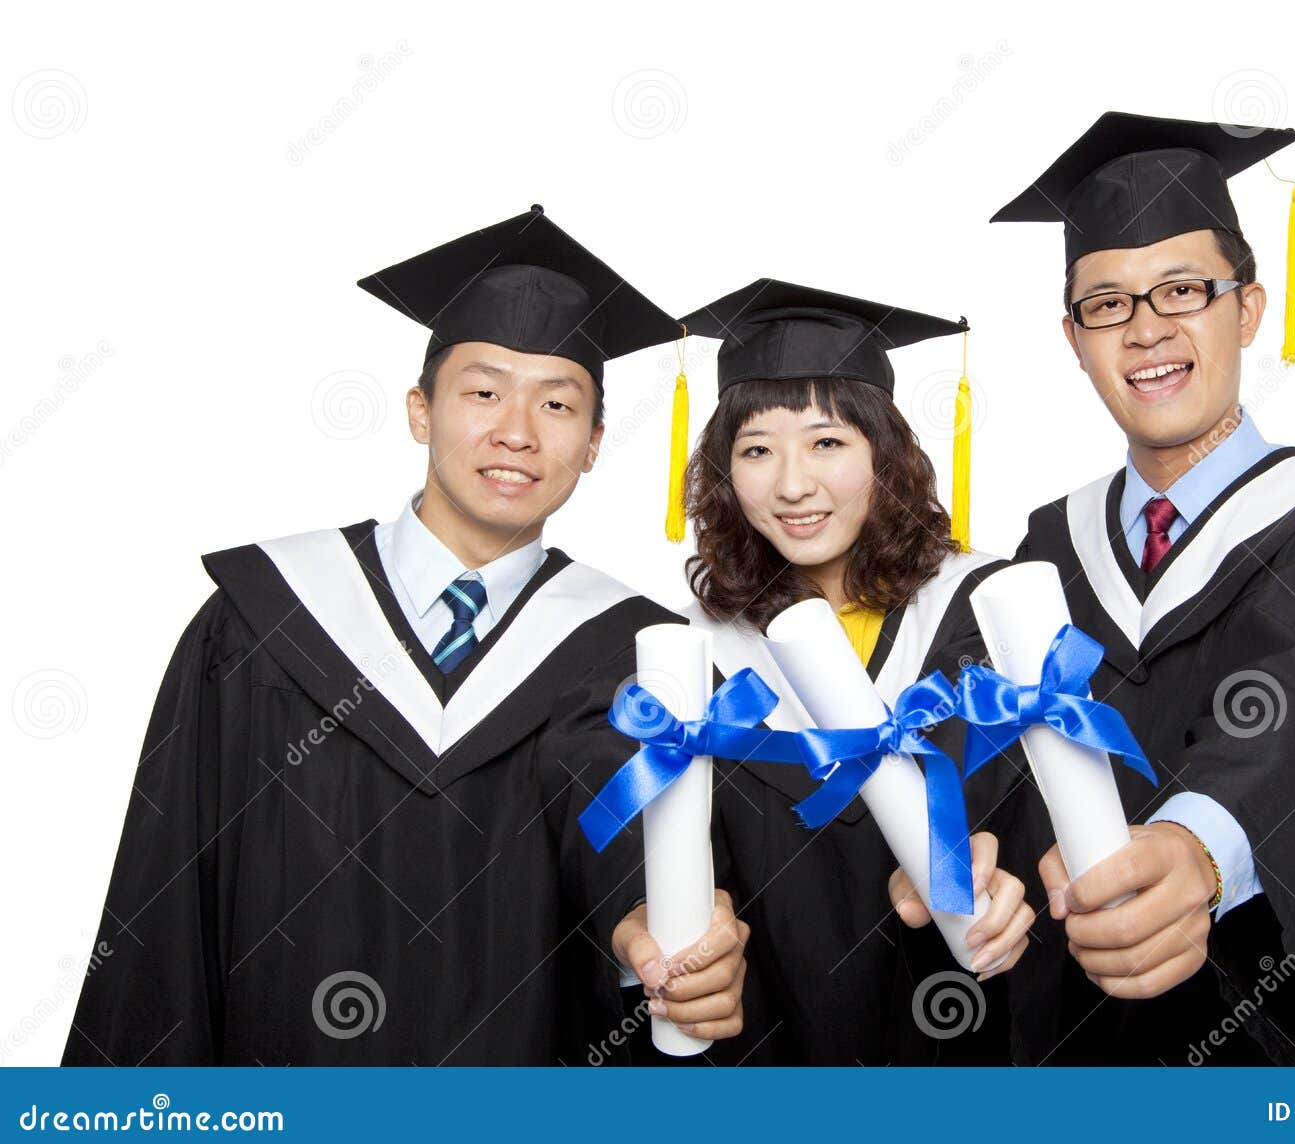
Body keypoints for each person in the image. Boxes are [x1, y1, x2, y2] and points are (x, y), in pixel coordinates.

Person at [63, 205, 750, 1064]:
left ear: (596, 442)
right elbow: (161, 919)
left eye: (558, 402)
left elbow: (650, 885)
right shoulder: (256, 624)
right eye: (484, 391)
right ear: (421, 410)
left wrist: (670, 942)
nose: (517, 432)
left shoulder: (635, 659)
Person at [993, 113, 1295, 1065]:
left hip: (1286, 1043)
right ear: (1073, 339)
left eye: (1183, 289)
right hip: (1079, 1042)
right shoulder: (1043, 549)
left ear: (1246, 309)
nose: (1148, 327)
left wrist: (1197, 849)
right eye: (1107, 304)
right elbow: (991, 744)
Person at [667, 280, 1043, 1063]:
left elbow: (1037, 830)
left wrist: (1015, 891)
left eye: (827, 441)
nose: (793, 484)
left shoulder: (982, 618)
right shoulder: (694, 655)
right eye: (756, 449)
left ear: (886, 453)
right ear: (724, 471)